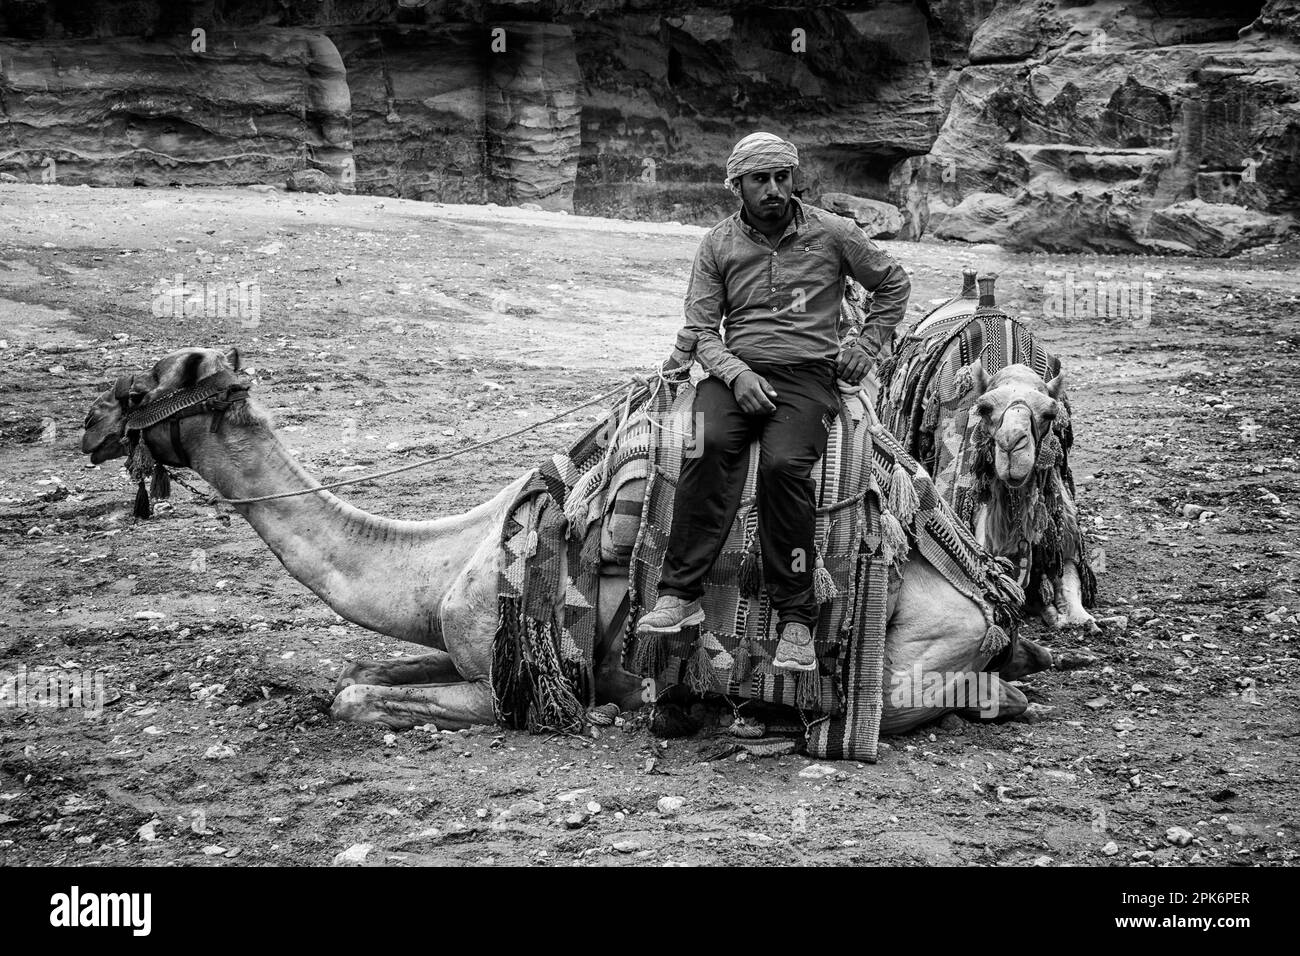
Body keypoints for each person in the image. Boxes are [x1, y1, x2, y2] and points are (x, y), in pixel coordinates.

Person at [636, 131, 911, 671]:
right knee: (704, 443)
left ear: (793, 179)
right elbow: (700, 330)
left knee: (786, 467)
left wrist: (866, 345)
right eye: (759, 179)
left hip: (807, 377)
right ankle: (680, 595)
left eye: (782, 177)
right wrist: (736, 375)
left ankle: (797, 619)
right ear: (736, 185)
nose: (773, 190)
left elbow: (893, 283)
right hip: (734, 373)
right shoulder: (718, 243)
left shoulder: (834, 234)